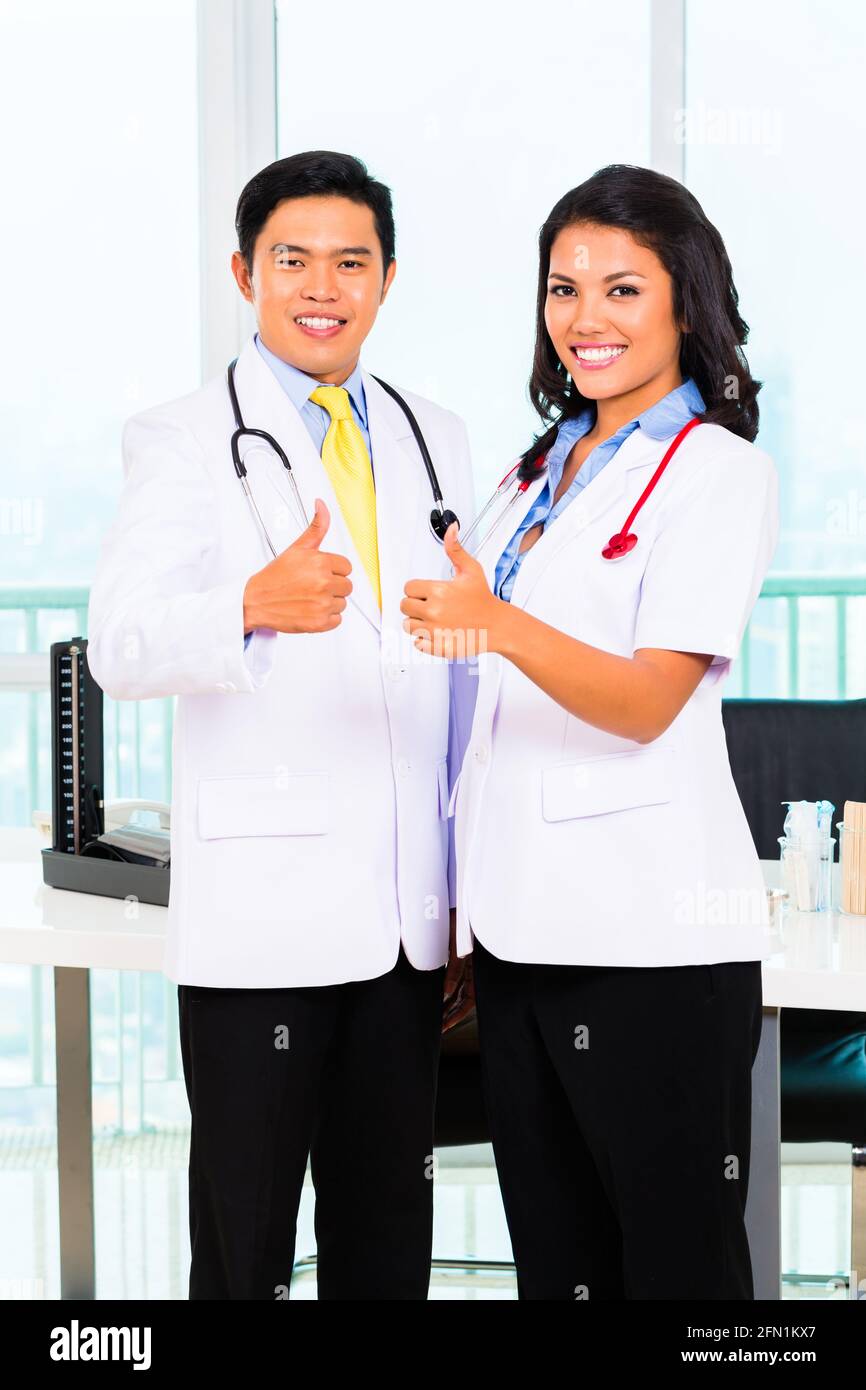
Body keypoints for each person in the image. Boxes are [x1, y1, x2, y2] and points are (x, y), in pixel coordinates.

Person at [87, 150, 475, 1300]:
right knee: (245, 1240)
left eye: (350, 261)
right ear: (244, 273)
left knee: (384, 1233)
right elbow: (122, 642)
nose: (322, 285)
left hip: (406, 920)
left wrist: (462, 891)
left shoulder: (434, 433)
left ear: (386, 278)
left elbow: (454, 674)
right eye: (293, 259)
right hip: (262, 920)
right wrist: (247, 605)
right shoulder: (182, 436)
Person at [401, 163, 780, 1300]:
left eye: (621, 288)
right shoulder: (531, 473)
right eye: (562, 290)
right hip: (523, 936)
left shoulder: (716, 473)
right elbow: (478, 697)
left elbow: (644, 700)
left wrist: (496, 622)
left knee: (675, 1273)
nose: (584, 319)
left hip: (649, 945)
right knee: (559, 1269)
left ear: (684, 300)